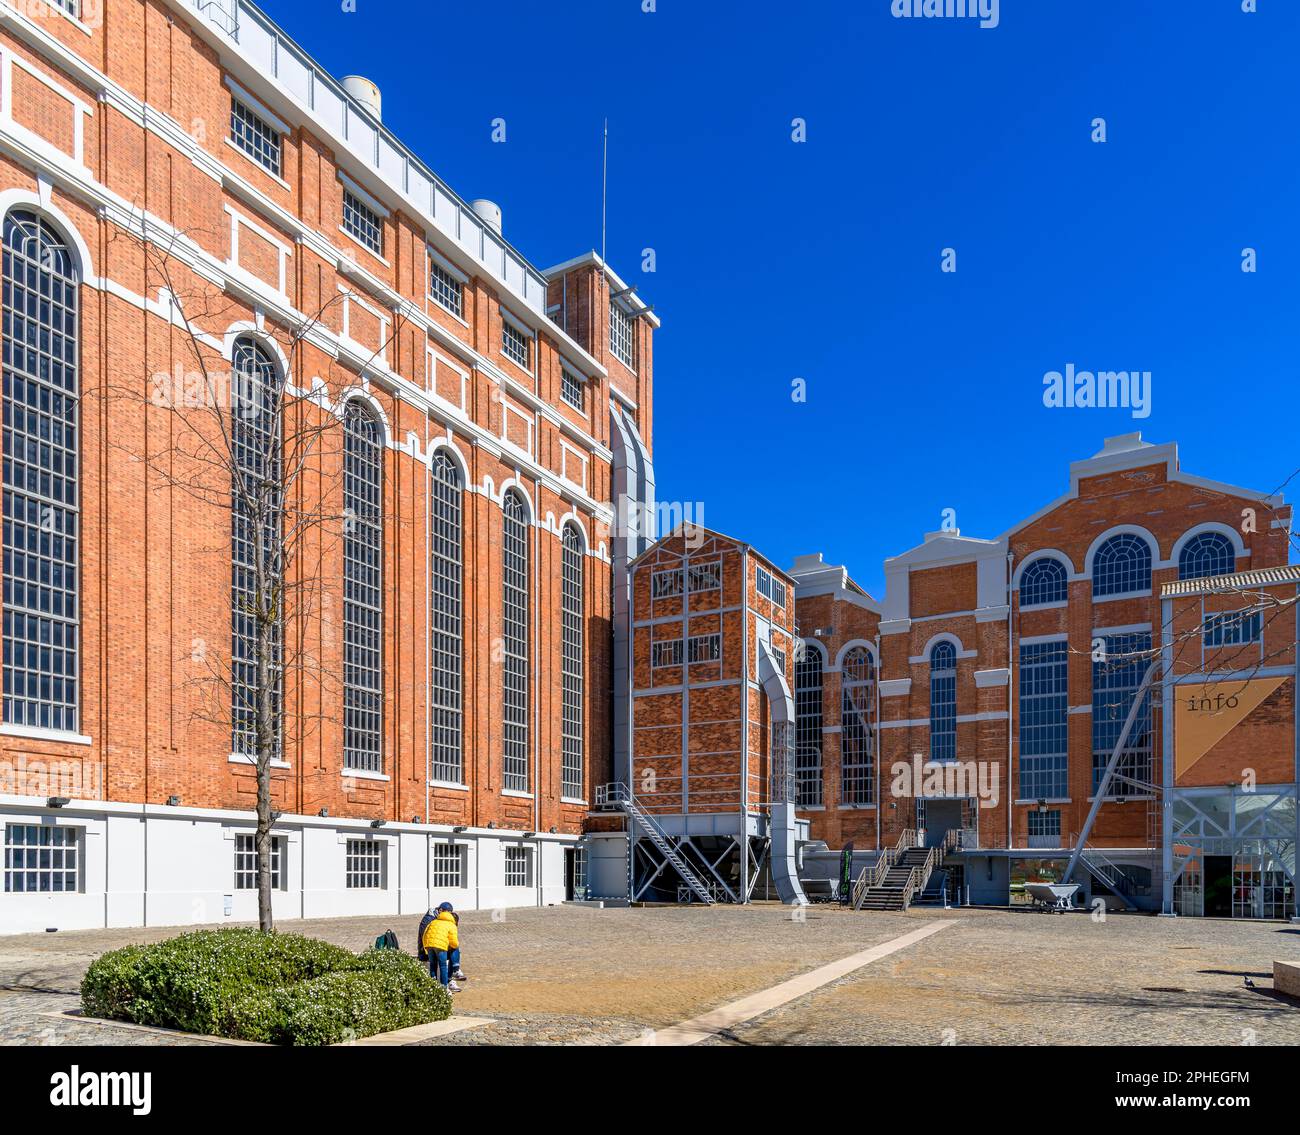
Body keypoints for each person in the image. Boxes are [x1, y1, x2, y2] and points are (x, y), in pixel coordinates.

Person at [421, 901, 467, 991]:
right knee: (443, 966)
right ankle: (445, 987)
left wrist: (426, 949)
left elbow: (425, 935)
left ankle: (433, 987)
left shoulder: (433, 921)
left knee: (433, 966)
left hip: (429, 946)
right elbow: (454, 942)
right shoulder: (451, 924)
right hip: (440, 947)